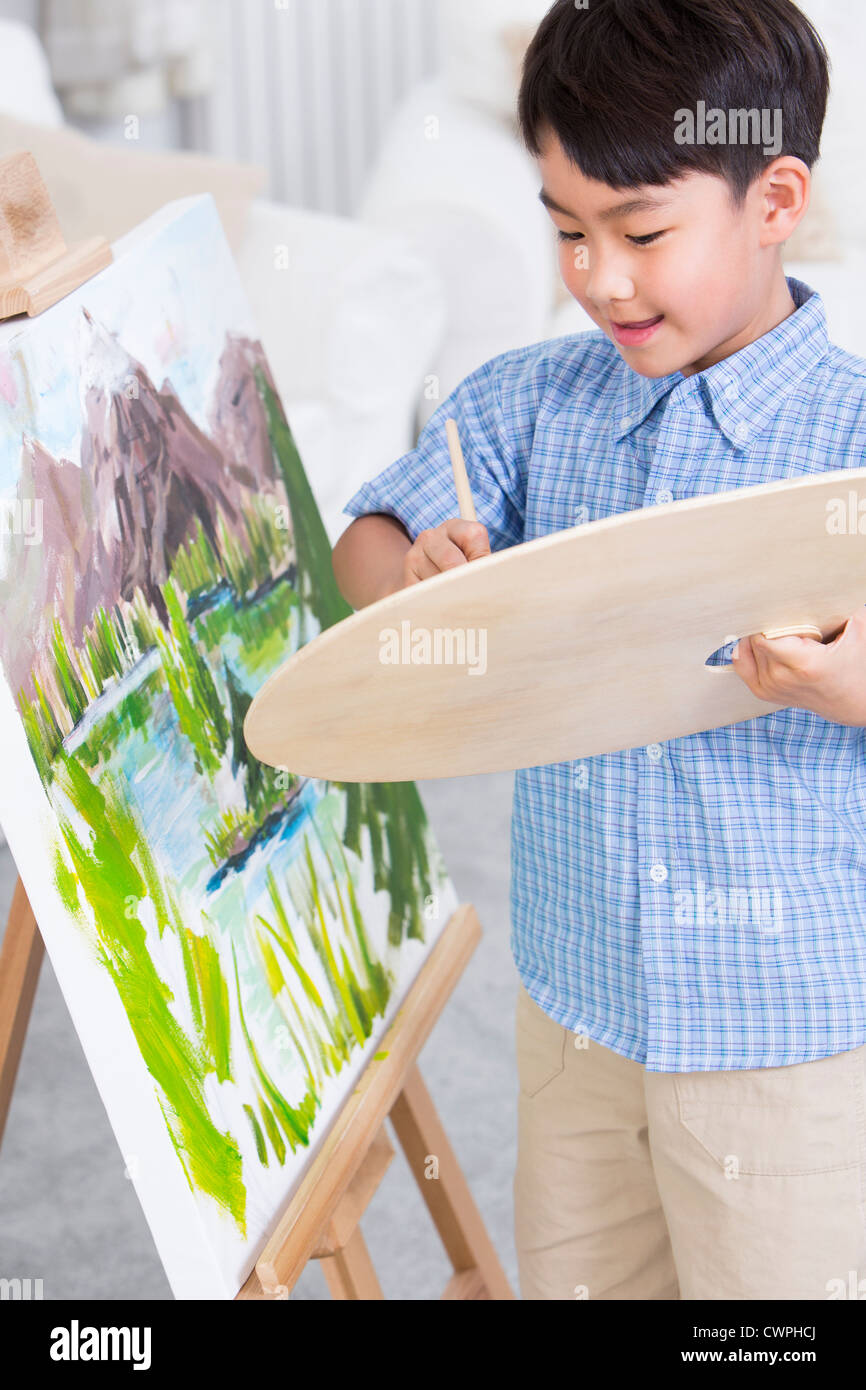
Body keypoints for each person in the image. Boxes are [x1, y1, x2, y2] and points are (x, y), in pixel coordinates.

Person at [331, 0, 866, 1300]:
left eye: (640, 232)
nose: (598, 276)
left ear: (774, 196)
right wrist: (407, 573)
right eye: (565, 227)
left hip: (786, 1038)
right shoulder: (527, 401)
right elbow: (368, 532)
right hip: (572, 1001)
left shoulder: (851, 442)